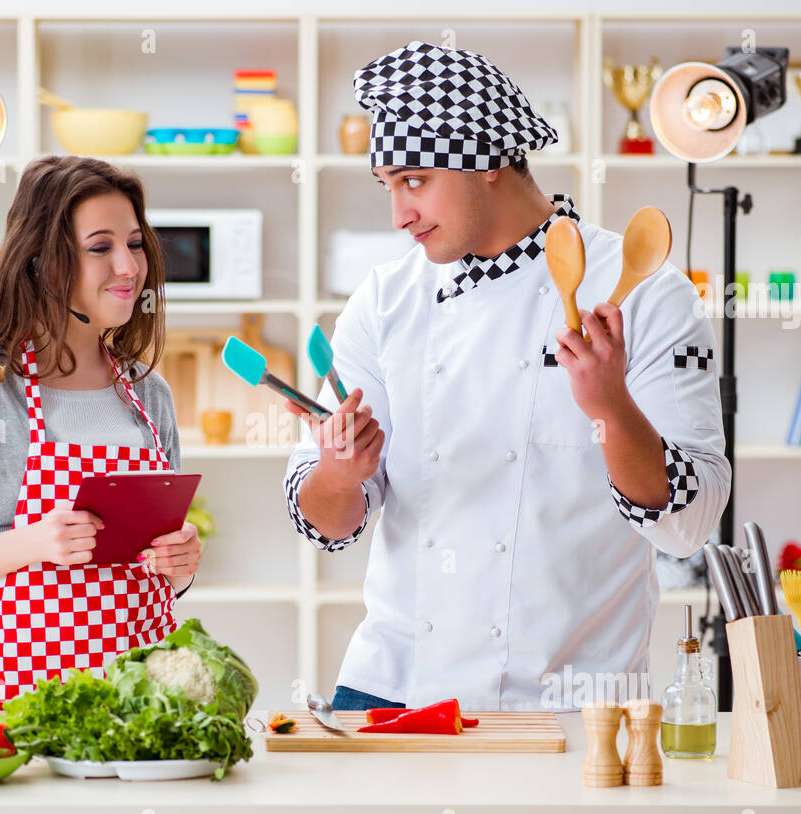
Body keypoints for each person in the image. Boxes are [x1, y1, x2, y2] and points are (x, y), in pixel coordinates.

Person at [282, 41, 730, 712]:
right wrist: (341, 472)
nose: (399, 214)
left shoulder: (645, 294)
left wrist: (610, 406)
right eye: (388, 186)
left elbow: (690, 522)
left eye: (414, 180)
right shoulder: (384, 299)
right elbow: (325, 523)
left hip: (568, 700)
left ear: (488, 158)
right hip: (391, 684)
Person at [0, 155, 202, 710]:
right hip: (20, 706)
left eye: (134, 244)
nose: (129, 267)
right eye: (100, 247)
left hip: (141, 705)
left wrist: (180, 565)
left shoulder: (150, 394)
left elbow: (158, 577)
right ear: (41, 262)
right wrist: (35, 543)